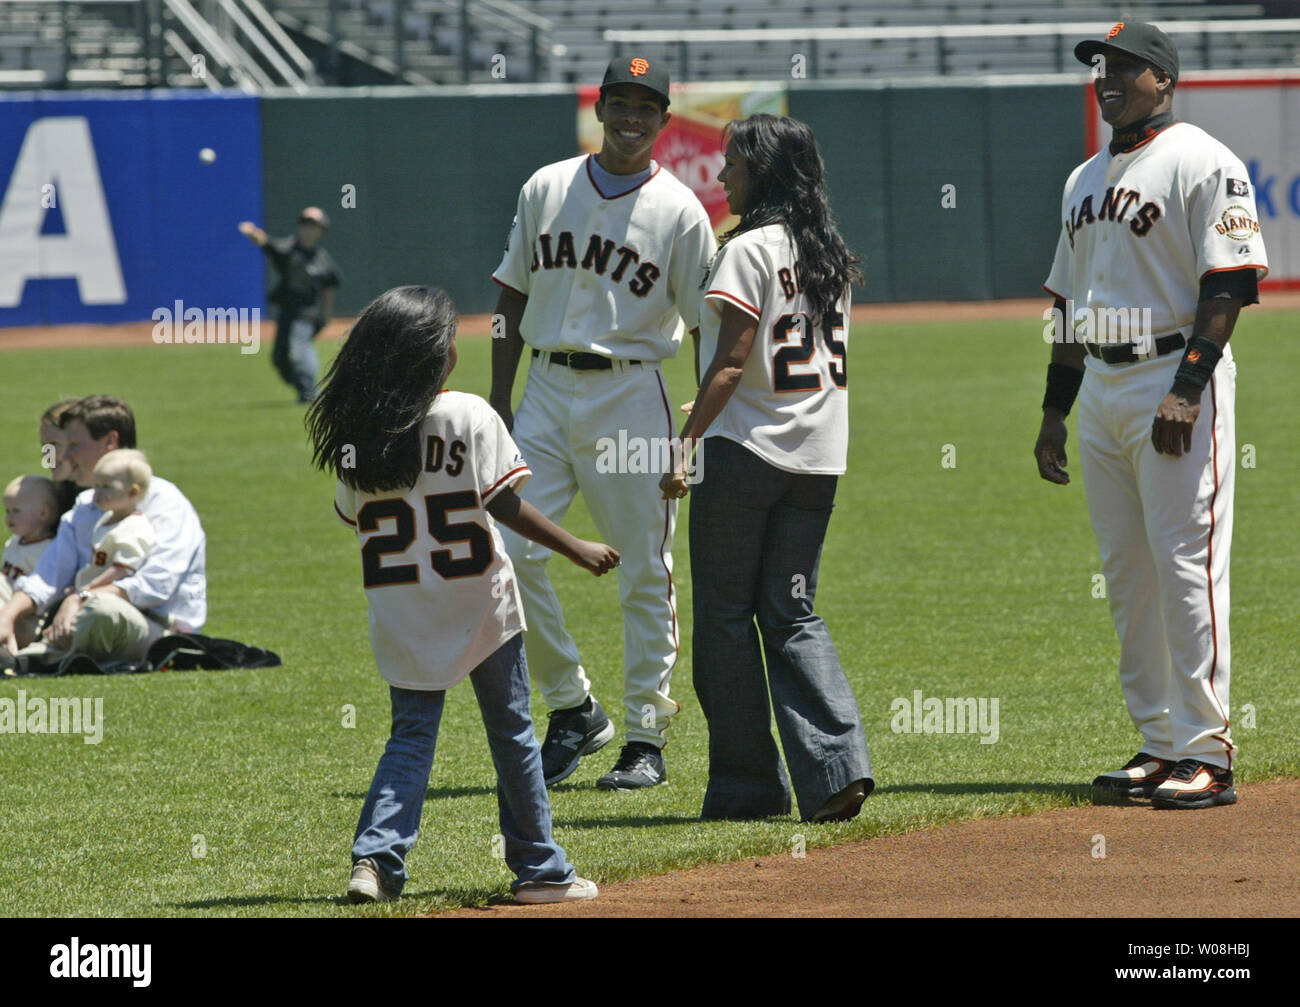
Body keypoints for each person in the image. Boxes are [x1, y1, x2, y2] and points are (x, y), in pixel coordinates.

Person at [307, 285, 617, 904]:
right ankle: (540, 869)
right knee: (513, 733)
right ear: (436, 357)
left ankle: (375, 860)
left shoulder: (355, 440)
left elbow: (357, 521)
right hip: (481, 605)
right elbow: (504, 503)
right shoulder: (471, 413)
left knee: (411, 737)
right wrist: (575, 546)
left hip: (402, 610)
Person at [1035, 22, 1268, 809]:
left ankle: (1208, 750)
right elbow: (1067, 306)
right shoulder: (1082, 178)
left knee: (1184, 563)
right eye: (1101, 67)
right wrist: (1053, 411)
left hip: (1172, 378)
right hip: (1100, 386)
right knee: (1129, 575)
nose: (1108, 78)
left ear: (1163, 80)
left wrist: (1189, 384)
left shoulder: (1203, 158)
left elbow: (1230, 283)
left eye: (1126, 67)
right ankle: (1159, 738)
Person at [490, 56, 718, 790]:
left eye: (646, 107)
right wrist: (499, 401)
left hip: (631, 392)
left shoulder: (682, 209)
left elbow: (707, 325)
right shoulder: (546, 185)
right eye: (620, 102)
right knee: (507, 550)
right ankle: (574, 707)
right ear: (600, 109)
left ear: (664, 119)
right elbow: (511, 298)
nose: (631, 117)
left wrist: (694, 431)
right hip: (546, 391)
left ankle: (646, 734)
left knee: (644, 567)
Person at [660, 114, 874, 823]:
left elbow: (730, 359)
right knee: (790, 609)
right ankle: (838, 768)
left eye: (735, 166)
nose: (722, 177)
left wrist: (686, 442)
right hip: (818, 460)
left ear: (766, 175)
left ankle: (746, 787)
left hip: (745, 459)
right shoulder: (829, 251)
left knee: (724, 615)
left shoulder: (747, 249)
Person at [0, 395, 207, 665]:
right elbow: (48, 576)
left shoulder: (166, 502)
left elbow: (156, 586)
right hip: (75, 617)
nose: (65, 456)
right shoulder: (84, 506)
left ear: (110, 442)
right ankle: (18, 648)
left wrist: (81, 597)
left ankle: (28, 660)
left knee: (103, 611)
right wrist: (8, 617)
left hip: (152, 626)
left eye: (74, 445)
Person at [3, 450, 156, 672]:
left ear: (133, 492)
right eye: (96, 485)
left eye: (107, 487)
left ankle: (37, 659)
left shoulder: (135, 528)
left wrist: (83, 592)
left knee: (100, 612)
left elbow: (120, 571)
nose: (97, 493)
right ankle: (30, 651)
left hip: (115, 602)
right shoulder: (100, 518)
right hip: (81, 597)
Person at [238, 206, 342, 403]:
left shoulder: (323, 260)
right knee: (280, 358)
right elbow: (267, 243)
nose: (308, 229)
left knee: (299, 350)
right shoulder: (289, 250)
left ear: (321, 230)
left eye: (313, 225)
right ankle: (305, 389)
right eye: (305, 224)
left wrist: (327, 316)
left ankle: (310, 393)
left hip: (307, 314)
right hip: (287, 312)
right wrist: (252, 232)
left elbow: (328, 290)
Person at [1, 475, 60, 649]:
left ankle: (8, 655)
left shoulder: (49, 549)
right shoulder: (15, 541)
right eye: (7, 511)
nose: (9, 517)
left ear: (43, 513)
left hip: (33, 623)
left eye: (16, 511)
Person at [39, 399, 81, 517]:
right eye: (44, 446)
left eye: (53, 445)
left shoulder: (106, 498)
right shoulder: (47, 496)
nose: (46, 456)